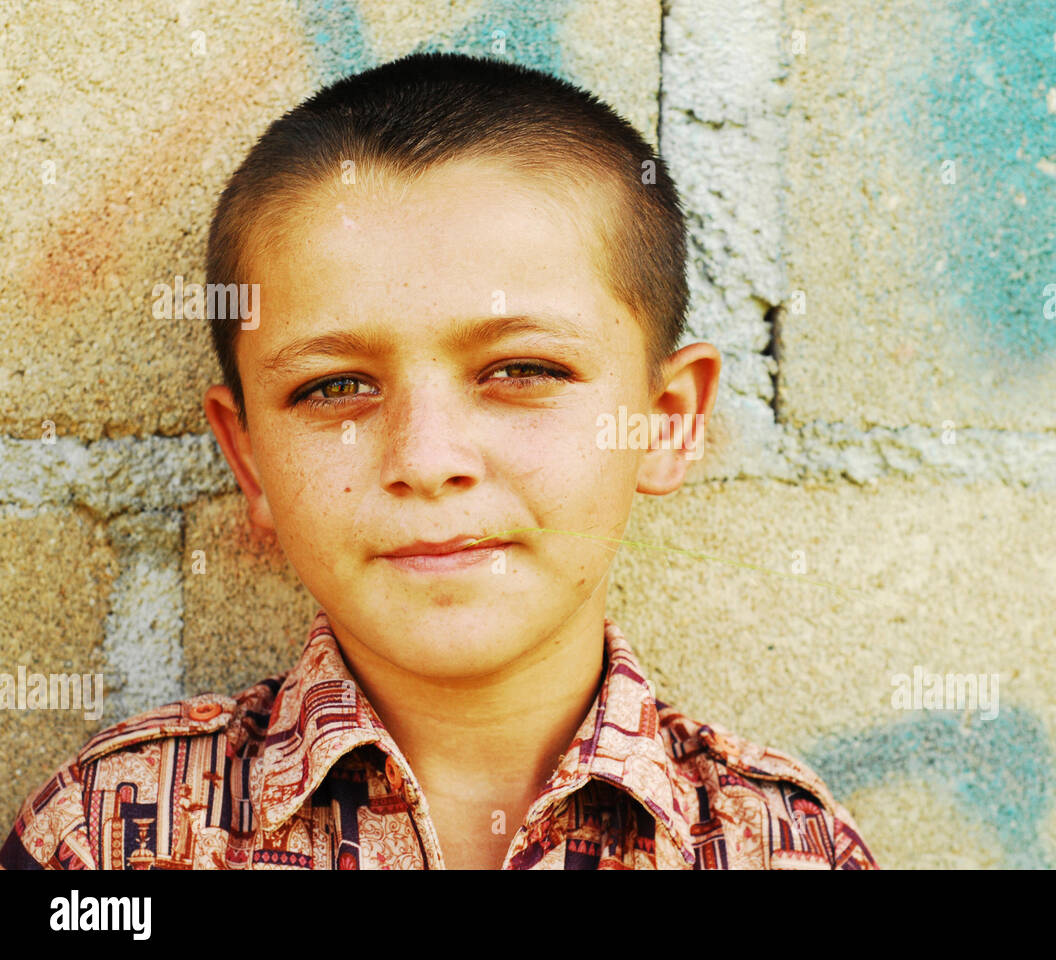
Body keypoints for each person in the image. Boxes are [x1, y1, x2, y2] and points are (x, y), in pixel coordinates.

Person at [1, 51, 878, 870]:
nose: (425, 459)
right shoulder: (116, 833)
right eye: (335, 387)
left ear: (667, 421)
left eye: (523, 371)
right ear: (250, 455)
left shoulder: (781, 846)